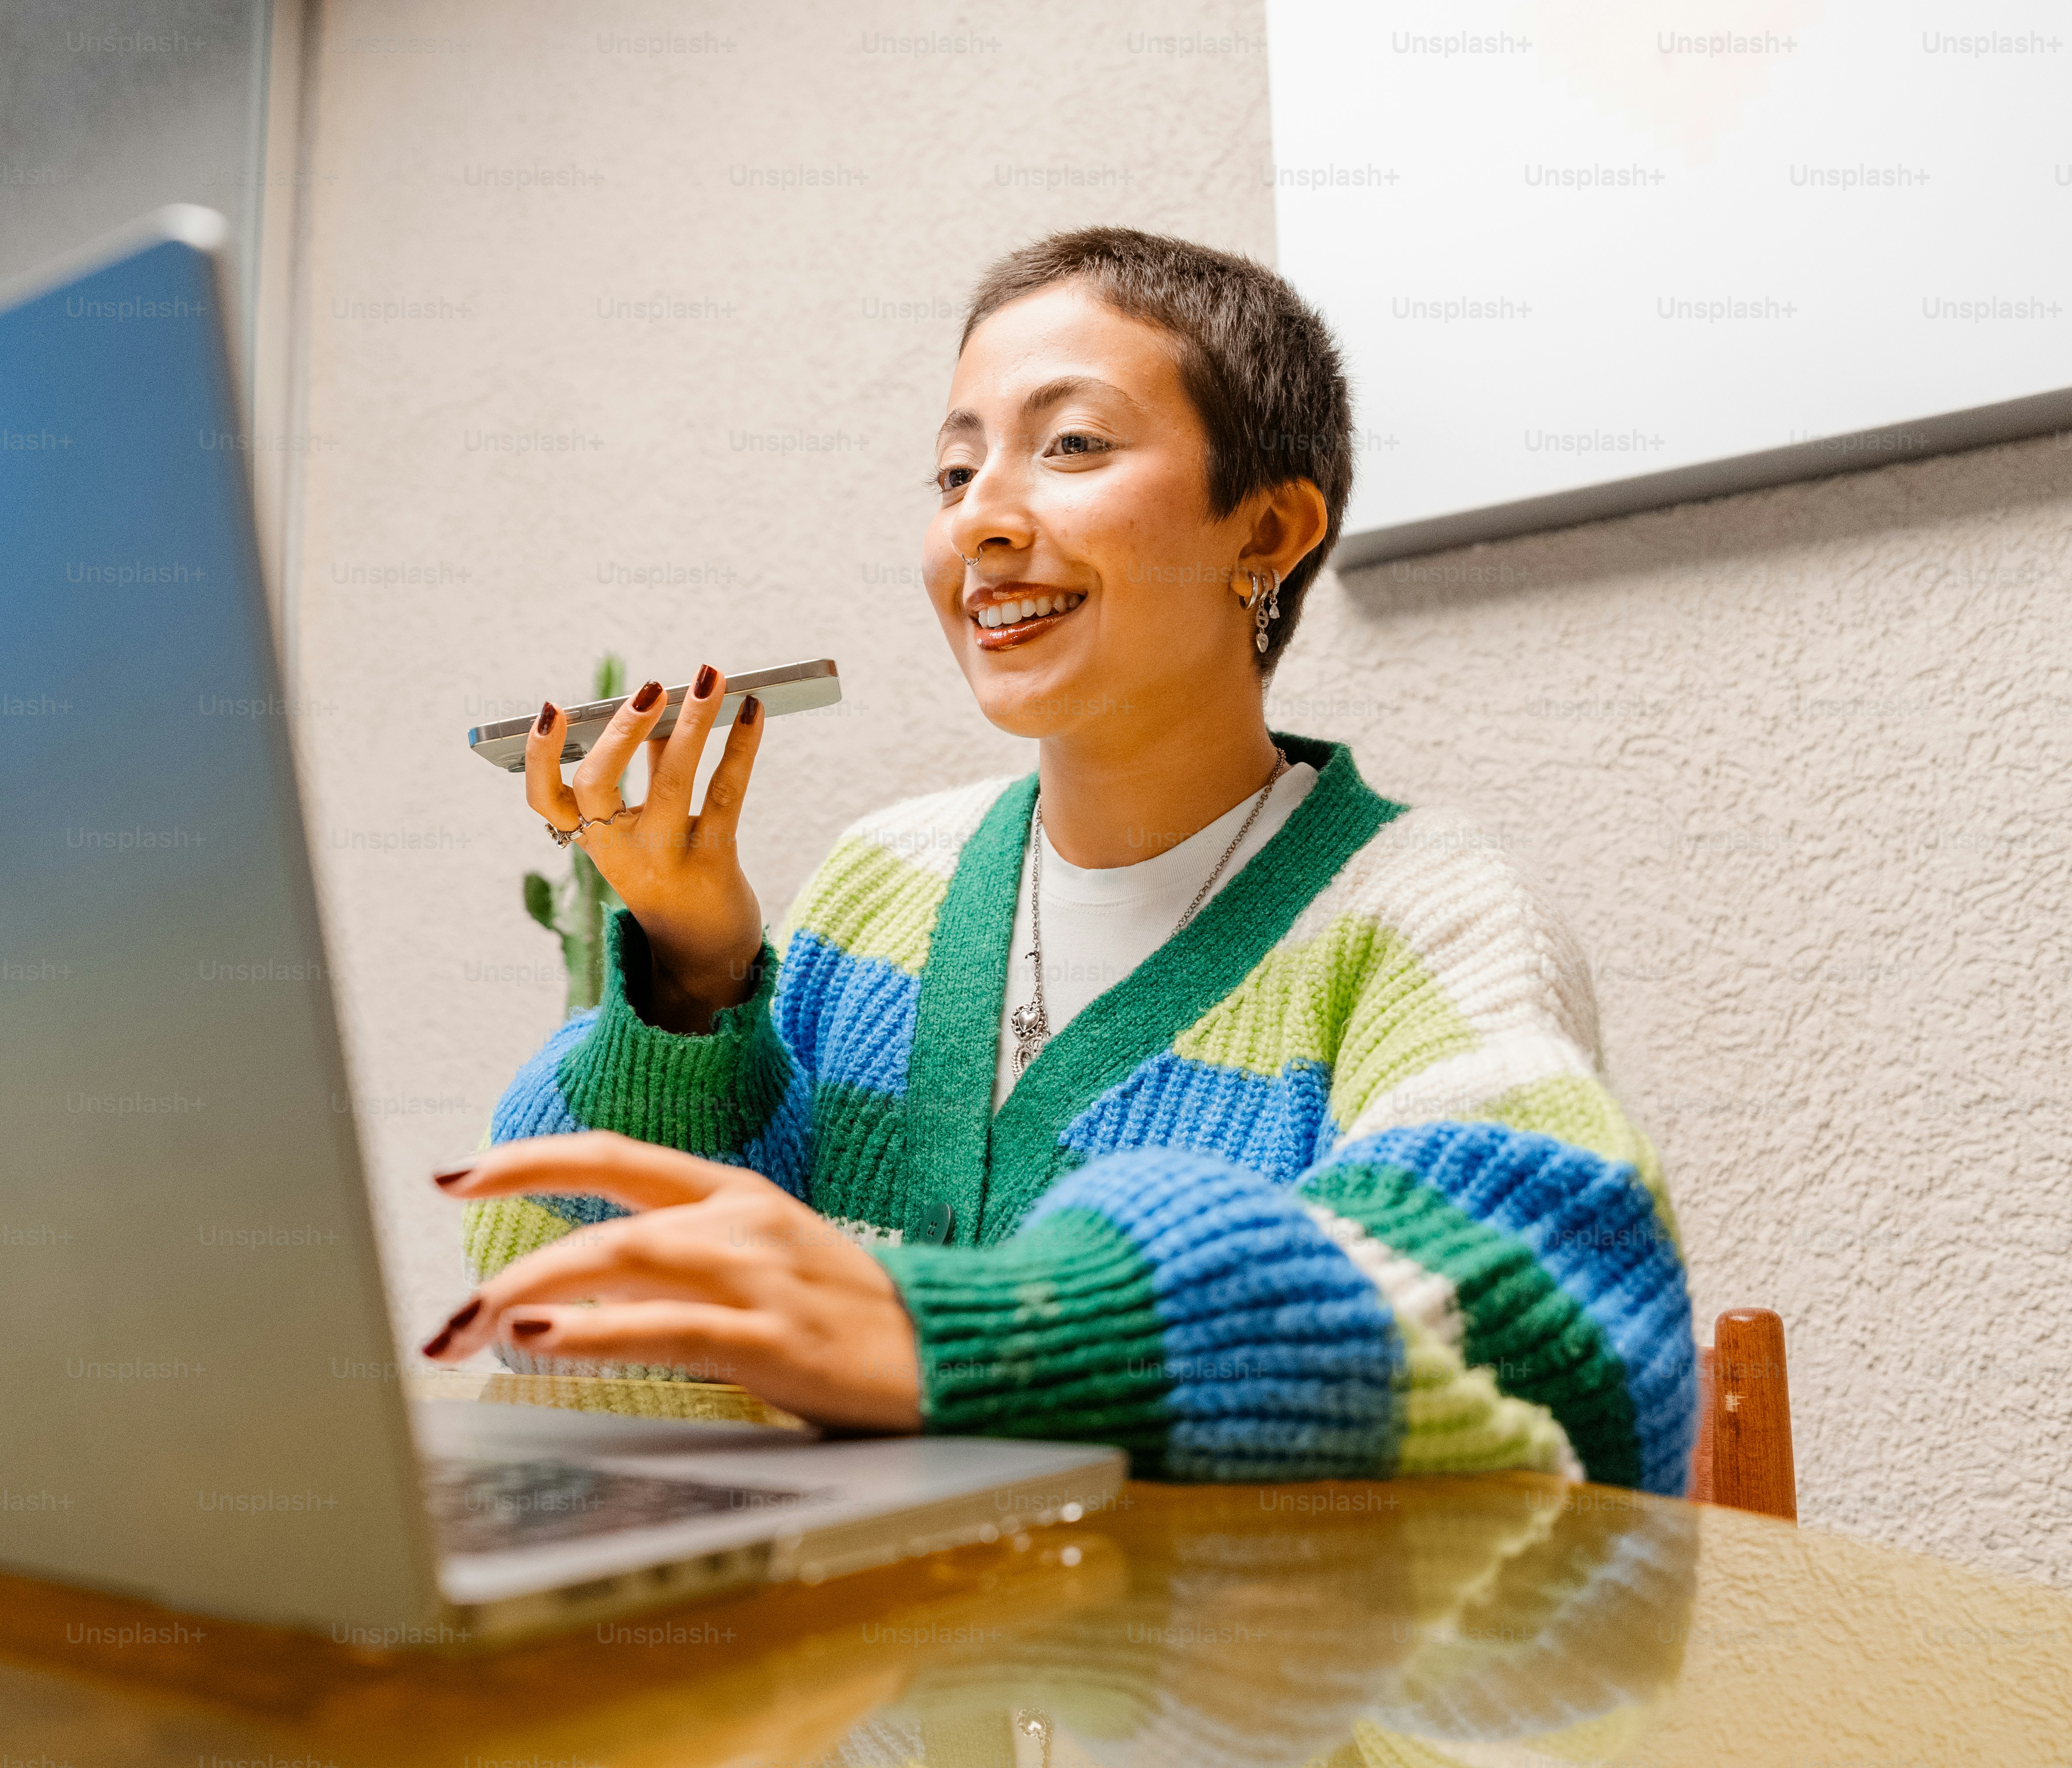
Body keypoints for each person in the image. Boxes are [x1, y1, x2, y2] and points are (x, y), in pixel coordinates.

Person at [420, 228, 1696, 1490]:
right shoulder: (880, 885)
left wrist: (959, 1332)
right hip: (863, 1679)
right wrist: (692, 981)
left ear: (1266, 533)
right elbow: (557, 1287)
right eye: (953, 471)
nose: (980, 520)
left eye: (1072, 443)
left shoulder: (1431, 916)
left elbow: (1553, 1331)